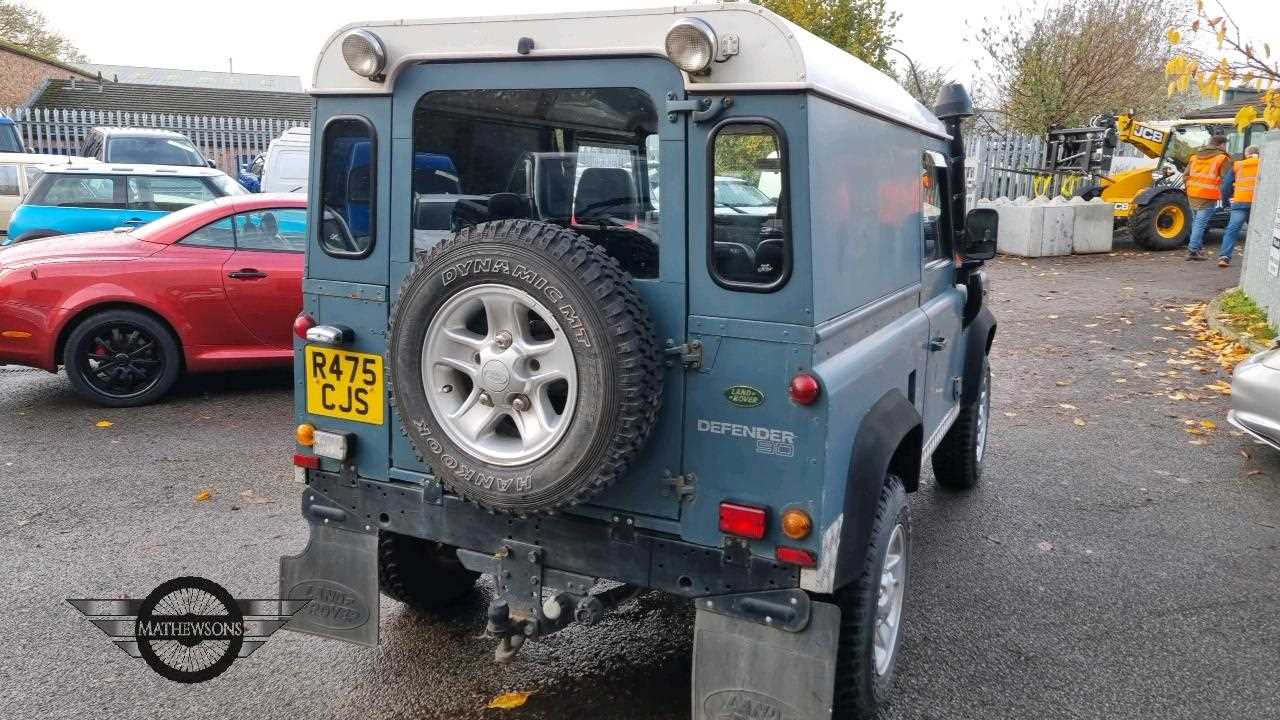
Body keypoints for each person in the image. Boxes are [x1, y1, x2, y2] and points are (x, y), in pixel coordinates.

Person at [1184, 134, 1231, 261]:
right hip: (1208, 194)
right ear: (1221, 145)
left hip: (1192, 192)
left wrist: (1189, 187)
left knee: (1196, 222)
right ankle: (1193, 250)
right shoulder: (1222, 158)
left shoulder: (1194, 156)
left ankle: (1197, 248)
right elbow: (1225, 178)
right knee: (1200, 223)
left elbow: (1185, 175)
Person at [1217, 145, 1260, 267]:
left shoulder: (1237, 165)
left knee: (1232, 230)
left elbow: (1225, 187)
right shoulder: (1264, 164)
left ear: (1247, 154)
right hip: (1258, 203)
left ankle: (1224, 257)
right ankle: (1258, 260)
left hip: (1240, 202)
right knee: (1259, 231)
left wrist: (1225, 202)